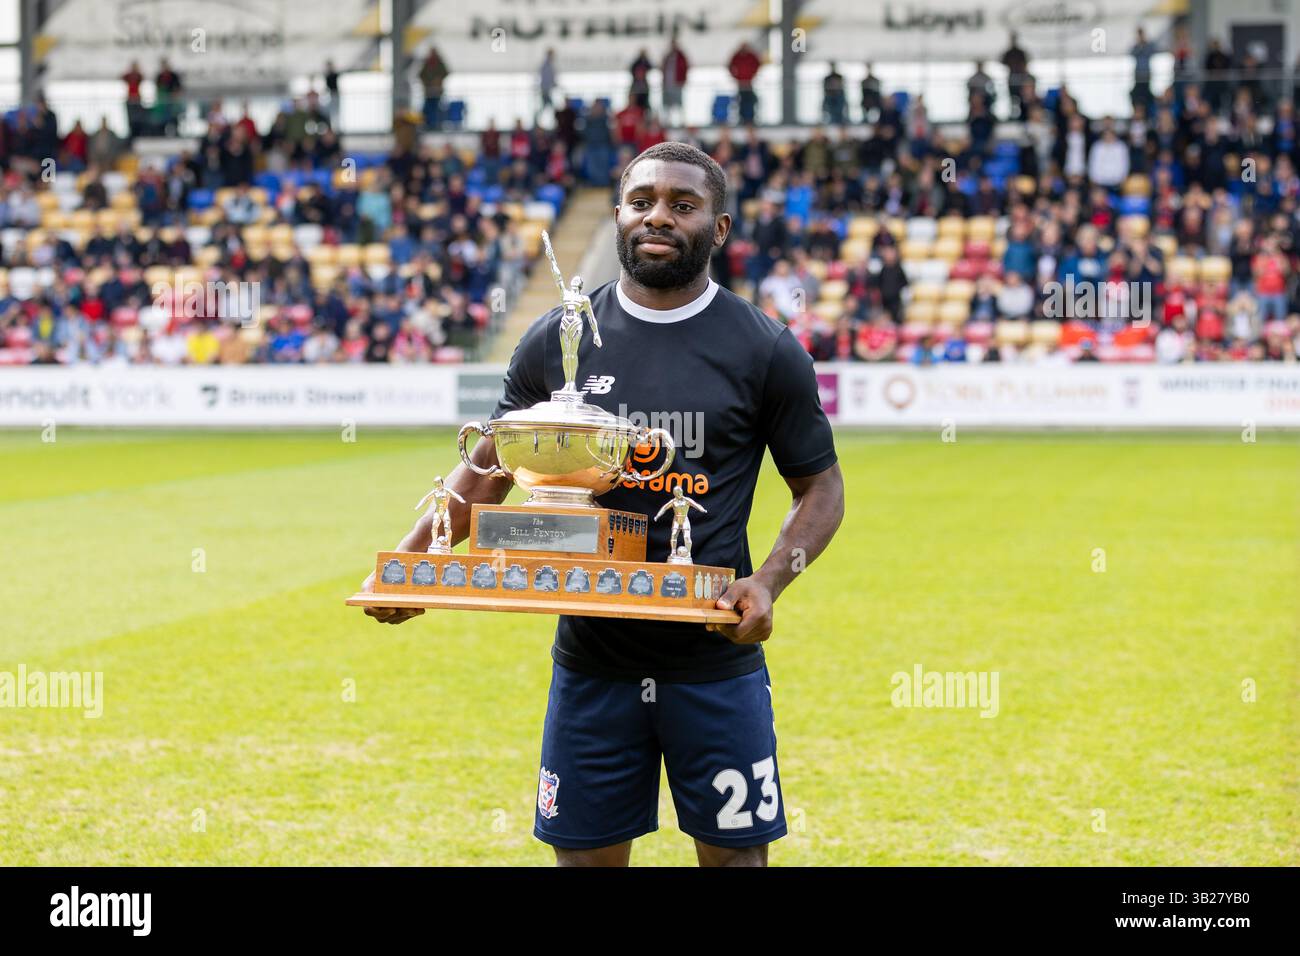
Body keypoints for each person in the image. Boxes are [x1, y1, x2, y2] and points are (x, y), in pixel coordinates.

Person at [359, 140, 845, 867]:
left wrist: (770, 580)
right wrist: (410, 561)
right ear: (618, 215)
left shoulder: (764, 347)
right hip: (591, 662)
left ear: (718, 229)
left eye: (683, 205)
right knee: (583, 860)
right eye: (643, 201)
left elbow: (821, 487)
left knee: (736, 860)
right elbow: (491, 468)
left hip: (713, 658)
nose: (659, 217)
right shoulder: (558, 340)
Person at [1000, 33, 1031, 120]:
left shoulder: (1020, 52)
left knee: (1022, 99)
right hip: (1012, 78)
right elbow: (1002, 61)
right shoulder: (1008, 52)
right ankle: (1013, 115)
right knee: (1012, 99)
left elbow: (1025, 62)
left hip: (1020, 78)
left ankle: (1022, 116)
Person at [729, 42, 762, 125]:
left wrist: (752, 75)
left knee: (750, 100)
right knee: (741, 101)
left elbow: (758, 64)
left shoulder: (751, 56)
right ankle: (742, 118)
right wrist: (736, 77)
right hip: (741, 83)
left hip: (749, 82)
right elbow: (730, 66)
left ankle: (751, 119)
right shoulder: (737, 56)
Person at [661, 36, 689, 127]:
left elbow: (686, 67)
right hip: (667, 84)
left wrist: (683, 79)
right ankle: (667, 121)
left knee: (678, 103)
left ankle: (681, 121)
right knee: (667, 104)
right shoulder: (667, 56)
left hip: (677, 83)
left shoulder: (681, 56)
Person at [419, 47, 449, 130]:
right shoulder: (427, 63)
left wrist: (438, 80)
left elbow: (445, 73)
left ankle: (436, 125)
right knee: (427, 109)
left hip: (437, 91)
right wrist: (427, 83)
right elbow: (421, 75)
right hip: (428, 92)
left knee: (436, 109)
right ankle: (427, 125)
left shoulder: (439, 63)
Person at [1130, 27, 1156, 116]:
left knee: (1147, 94)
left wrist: (1144, 45)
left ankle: (1147, 112)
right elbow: (1132, 53)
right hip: (1138, 75)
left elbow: (1152, 51)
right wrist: (1140, 46)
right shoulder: (1136, 46)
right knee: (1137, 93)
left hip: (1146, 75)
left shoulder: (1149, 46)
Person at [537, 49, 558, 123]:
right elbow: (547, 79)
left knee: (546, 107)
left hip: (547, 90)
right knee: (548, 107)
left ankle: (538, 121)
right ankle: (538, 122)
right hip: (545, 91)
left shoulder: (548, 65)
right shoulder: (546, 66)